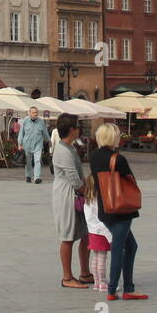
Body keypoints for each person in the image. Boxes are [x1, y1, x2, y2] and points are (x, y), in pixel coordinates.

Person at [89, 123, 145, 301]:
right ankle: (114, 290)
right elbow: (131, 180)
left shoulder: (94, 156)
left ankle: (128, 287)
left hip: (105, 208)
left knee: (131, 246)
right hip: (121, 209)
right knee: (119, 247)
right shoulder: (117, 159)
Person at [52, 114, 93, 289]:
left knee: (85, 234)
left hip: (76, 194)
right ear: (71, 130)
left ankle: (85, 272)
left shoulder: (70, 148)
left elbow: (79, 177)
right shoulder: (63, 151)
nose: (79, 129)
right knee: (67, 236)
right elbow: (74, 180)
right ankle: (67, 277)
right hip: (67, 196)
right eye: (77, 127)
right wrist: (90, 195)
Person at [82, 174, 113, 295]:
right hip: (101, 233)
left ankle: (96, 282)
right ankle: (103, 283)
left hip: (92, 232)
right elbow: (102, 220)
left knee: (95, 258)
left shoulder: (87, 201)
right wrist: (110, 236)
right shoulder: (99, 201)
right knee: (102, 259)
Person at [17, 106, 48, 184]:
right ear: (29, 113)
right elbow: (21, 133)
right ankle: (28, 176)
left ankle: (37, 178)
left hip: (38, 144)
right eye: (34, 112)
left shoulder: (41, 122)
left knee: (37, 161)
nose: (35, 114)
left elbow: (45, 133)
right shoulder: (25, 121)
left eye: (36, 112)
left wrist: (49, 141)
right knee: (28, 161)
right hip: (27, 145)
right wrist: (19, 144)